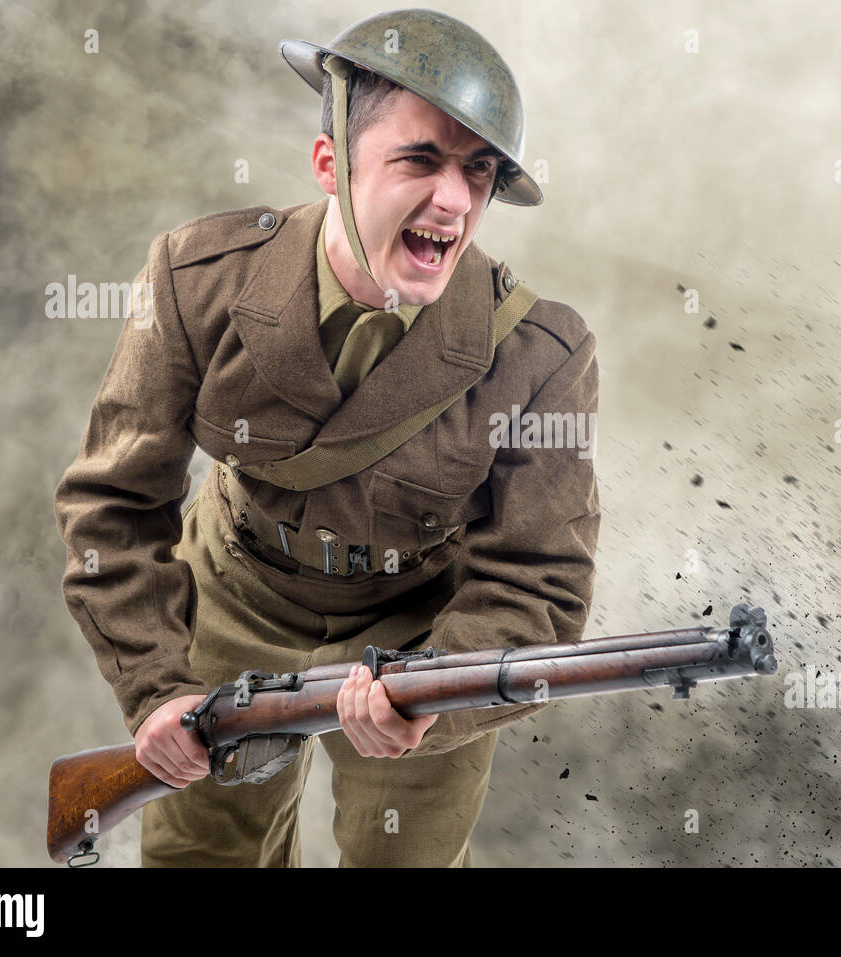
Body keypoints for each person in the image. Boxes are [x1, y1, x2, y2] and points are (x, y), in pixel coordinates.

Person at [52, 8, 601, 867]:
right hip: (231, 592)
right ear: (329, 165)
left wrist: (431, 696)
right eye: (419, 159)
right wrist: (155, 689)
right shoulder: (196, 281)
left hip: (423, 634)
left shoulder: (538, 355)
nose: (453, 200)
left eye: (479, 172)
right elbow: (112, 503)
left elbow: (538, 580)